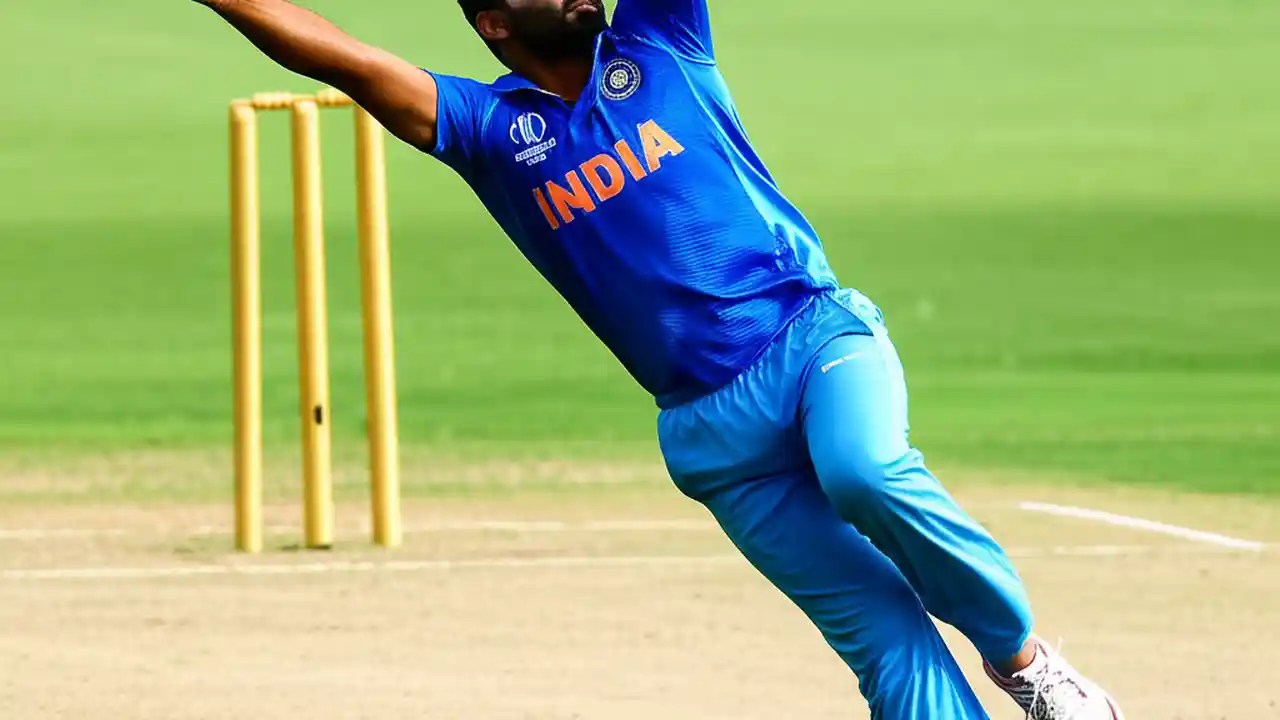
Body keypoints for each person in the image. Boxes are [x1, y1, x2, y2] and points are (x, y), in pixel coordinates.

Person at [192, 1, 1126, 717]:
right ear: (493, 22)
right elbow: (339, 56)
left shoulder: (661, 38)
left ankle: (1026, 664)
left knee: (865, 471)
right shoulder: (484, 130)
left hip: (811, 340)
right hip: (714, 435)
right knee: (885, 642)